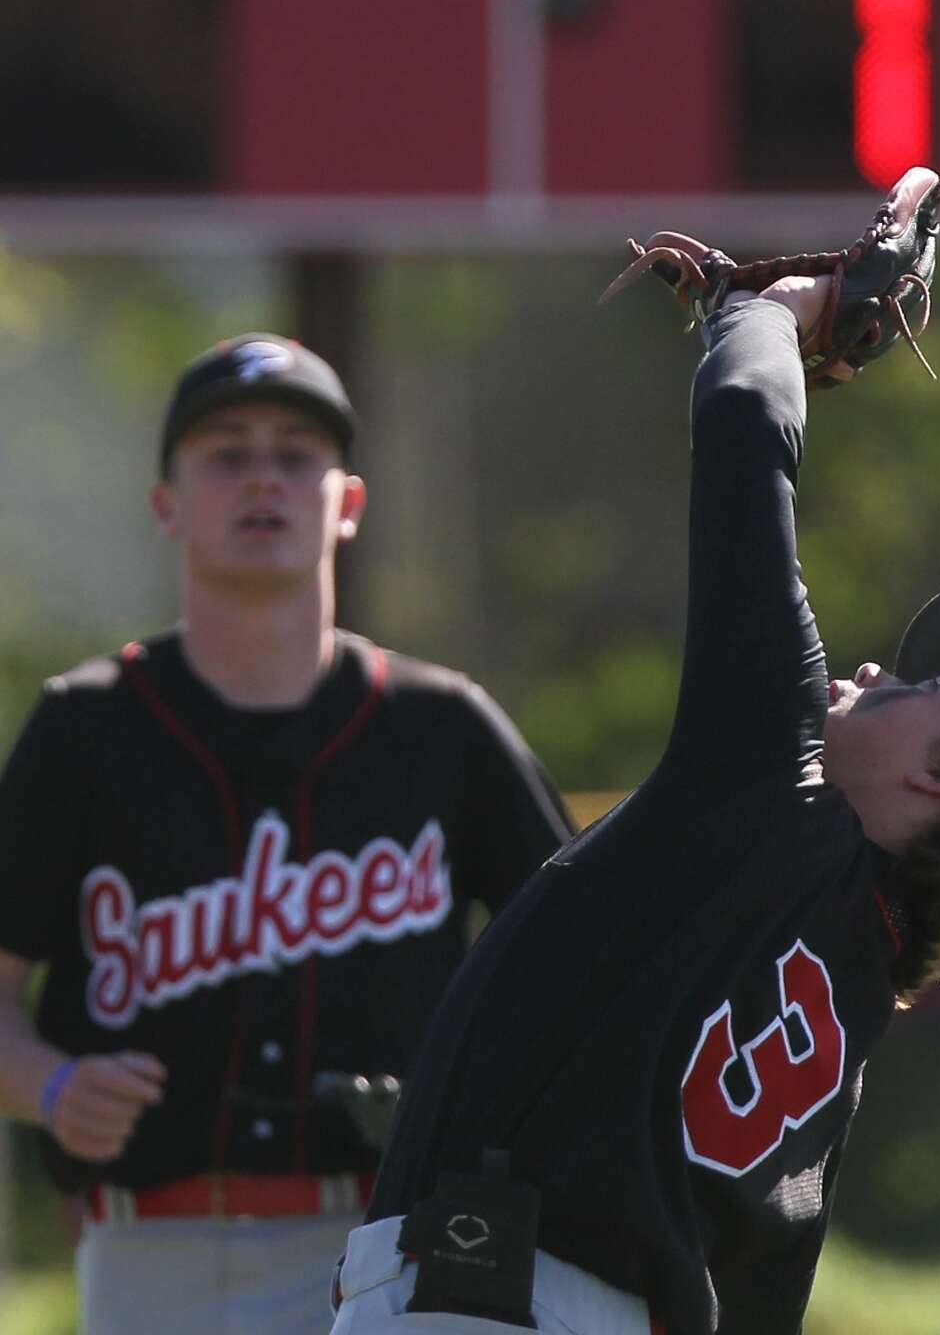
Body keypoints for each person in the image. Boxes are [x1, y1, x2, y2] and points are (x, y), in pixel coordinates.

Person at [329, 247, 940, 1335]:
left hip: (480, 1302)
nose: (883, 668)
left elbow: (747, 427)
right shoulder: (843, 1028)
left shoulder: (776, 799)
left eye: (933, 685)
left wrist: (767, 312)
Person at [0, 332, 574, 1335]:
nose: (262, 475)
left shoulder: (443, 727)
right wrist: (49, 1085)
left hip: (394, 1243)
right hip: (150, 1250)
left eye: (295, 451)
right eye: (226, 450)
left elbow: (582, 972)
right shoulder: (84, 728)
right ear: (166, 505)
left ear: (347, 501)